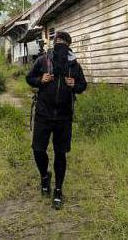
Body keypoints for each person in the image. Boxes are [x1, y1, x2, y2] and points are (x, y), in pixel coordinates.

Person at [26, 30, 87, 210]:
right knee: (38, 150)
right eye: (57, 41)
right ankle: (45, 176)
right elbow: (29, 78)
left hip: (64, 116)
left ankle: (58, 190)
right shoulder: (43, 60)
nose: (59, 43)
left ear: (68, 44)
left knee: (60, 154)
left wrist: (74, 85)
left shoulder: (74, 65)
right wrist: (40, 79)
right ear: (53, 43)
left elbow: (83, 85)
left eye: (62, 41)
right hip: (43, 114)